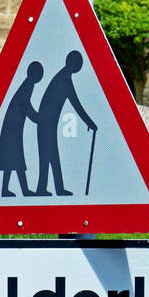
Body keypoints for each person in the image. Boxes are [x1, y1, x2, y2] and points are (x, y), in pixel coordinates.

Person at [34, 50, 97, 197]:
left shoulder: (62, 77)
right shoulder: (64, 80)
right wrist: (90, 123)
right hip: (46, 125)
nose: (78, 68)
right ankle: (43, 189)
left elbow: (75, 104)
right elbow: (76, 104)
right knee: (47, 158)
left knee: (52, 158)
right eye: (77, 65)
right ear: (72, 63)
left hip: (47, 125)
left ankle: (55, 189)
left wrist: (90, 123)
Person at [0, 61, 42, 197]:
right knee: (15, 160)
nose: (39, 77)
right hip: (12, 129)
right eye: (38, 74)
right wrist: (40, 119)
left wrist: (37, 118)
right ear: (32, 73)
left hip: (13, 128)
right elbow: (25, 105)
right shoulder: (27, 85)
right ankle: (19, 190)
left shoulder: (28, 84)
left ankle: (15, 190)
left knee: (14, 161)